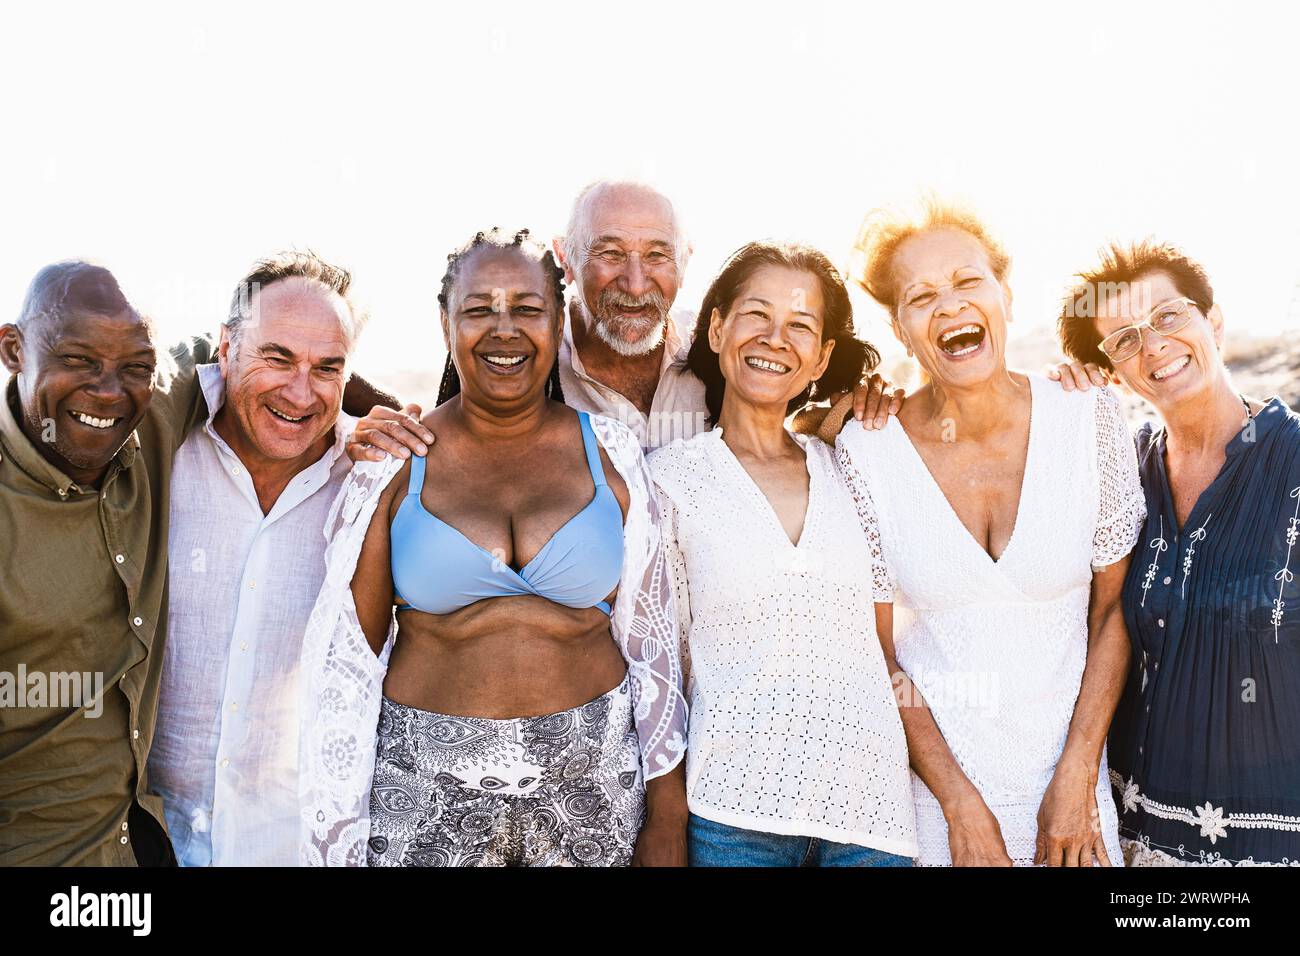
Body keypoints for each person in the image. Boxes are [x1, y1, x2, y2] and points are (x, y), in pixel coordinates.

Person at [298, 228, 687, 867]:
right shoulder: (392, 463)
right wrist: (336, 841)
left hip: (593, 781)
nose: (504, 330)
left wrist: (667, 814)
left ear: (558, 320)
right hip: (425, 786)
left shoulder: (611, 453)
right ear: (446, 323)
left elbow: (651, 643)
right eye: (479, 309)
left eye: (528, 309)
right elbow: (347, 669)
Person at [822, 198, 1146, 866]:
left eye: (969, 282)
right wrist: (960, 806)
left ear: (1005, 295)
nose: (949, 307)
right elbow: (875, 650)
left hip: (1072, 804)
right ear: (900, 328)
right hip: (935, 810)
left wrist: (1078, 777)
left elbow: (1114, 609)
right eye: (921, 296)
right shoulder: (867, 448)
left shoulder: (1088, 415)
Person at [650, 241, 917, 866]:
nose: (775, 339)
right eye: (756, 316)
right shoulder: (667, 480)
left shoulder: (856, 465)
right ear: (716, 328)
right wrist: (663, 812)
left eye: (801, 326)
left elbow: (891, 642)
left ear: (822, 356)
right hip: (732, 817)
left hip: (873, 817)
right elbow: (657, 664)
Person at [344, 181, 901, 462]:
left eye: (657, 255)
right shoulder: (518, 364)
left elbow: (778, 425)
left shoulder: (721, 354)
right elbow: (447, 442)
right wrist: (377, 435)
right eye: (609, 253)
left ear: (685, 259)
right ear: (566, 257)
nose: (636, 283)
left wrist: (844, 415)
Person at [1050, 240, 1300, 866]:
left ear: (1213, 323)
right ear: (1112, 371)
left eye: (1168, 316)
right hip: (1133, 835)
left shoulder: (1293, 459)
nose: (1153, 344)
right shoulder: (1120, 472)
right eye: (1123, 339)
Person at [147, 252, 372, 866]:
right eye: (277, 358)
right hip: (148, 845)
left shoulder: (372, 485)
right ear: (226, 347)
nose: (300, 392)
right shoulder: (153, 458)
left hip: (294, 848)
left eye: (327, 367)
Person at [0, 262, 210, 865]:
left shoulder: (151, 414)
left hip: (146, 842)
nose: (110, 391)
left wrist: (396, 416)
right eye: (78, 361)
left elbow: (270, 353)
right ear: (14, 350)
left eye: (134, 368)